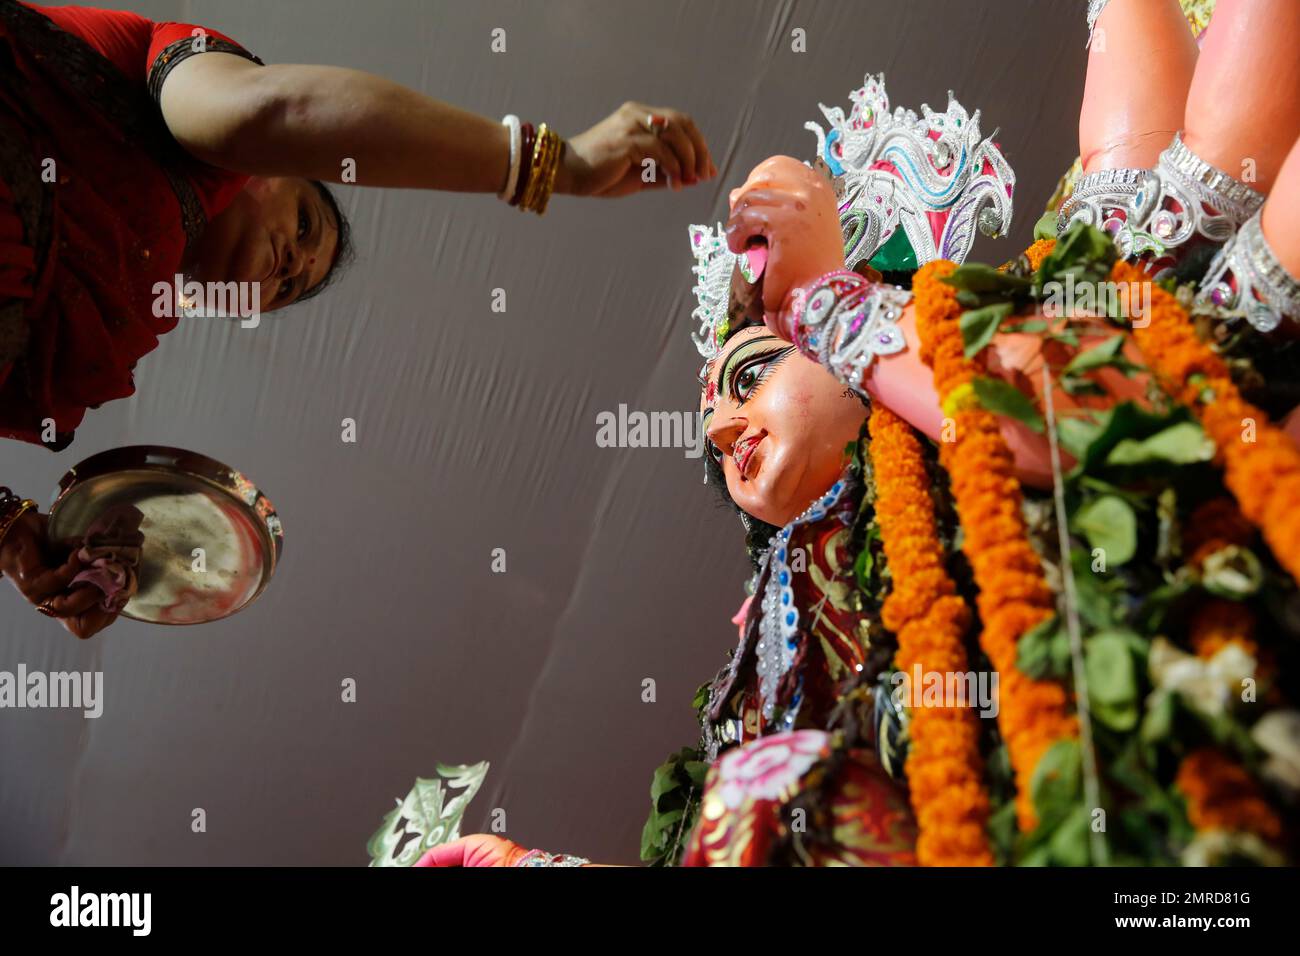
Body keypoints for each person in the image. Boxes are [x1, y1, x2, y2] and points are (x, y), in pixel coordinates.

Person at [424, 0, 1300, 866]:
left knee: (1177, 202)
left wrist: (822, 298)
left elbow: (1091, 420)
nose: (725, 426)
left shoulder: (937, 384)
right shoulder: (768, 645)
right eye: (711, 430)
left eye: (751, 375)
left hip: (1183, 468)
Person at [0, 0, 715, 637]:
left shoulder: (103, 337)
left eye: (289, 290)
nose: (291, 266)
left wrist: (17, 537)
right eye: (306, 227)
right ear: (270, 171)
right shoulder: (178, 76)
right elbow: (267, 113)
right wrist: (560, 164)